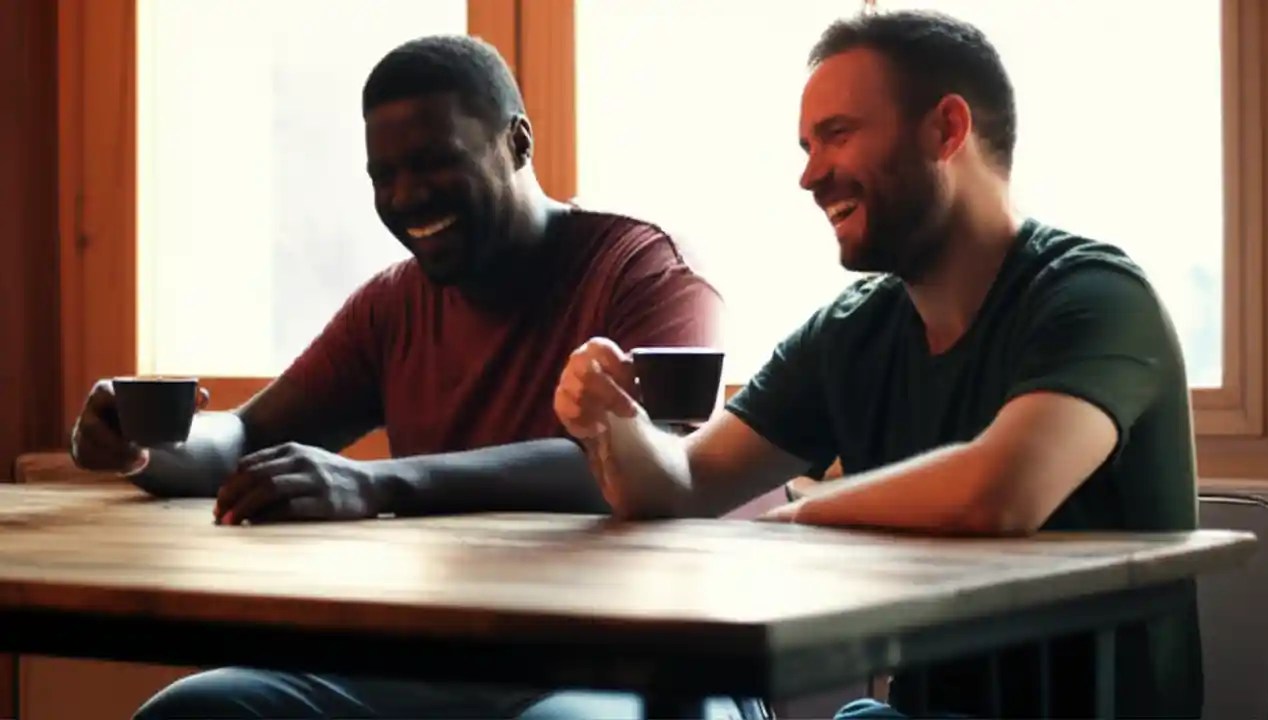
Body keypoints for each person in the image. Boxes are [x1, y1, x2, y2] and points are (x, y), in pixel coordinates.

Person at [69, 35, 747, 720]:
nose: (406, 196)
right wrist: (148, 445)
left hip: (653, 658)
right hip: (452, 656)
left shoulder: (645, 272)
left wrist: (378, 483)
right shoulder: (394, 304)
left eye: (434, 163)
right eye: (382, 176)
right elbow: (249, 433)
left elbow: (643, 465)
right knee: (194, 712)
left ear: (518, 142)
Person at [556, 10, 1201, 720]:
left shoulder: (1096, 296)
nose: (808, 175)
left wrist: (798, 521)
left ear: (947, 130)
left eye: (837, 134)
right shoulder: (853, 329)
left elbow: (1003, 490)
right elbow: (682, 486)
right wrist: (615, 424)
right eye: (806, 145)